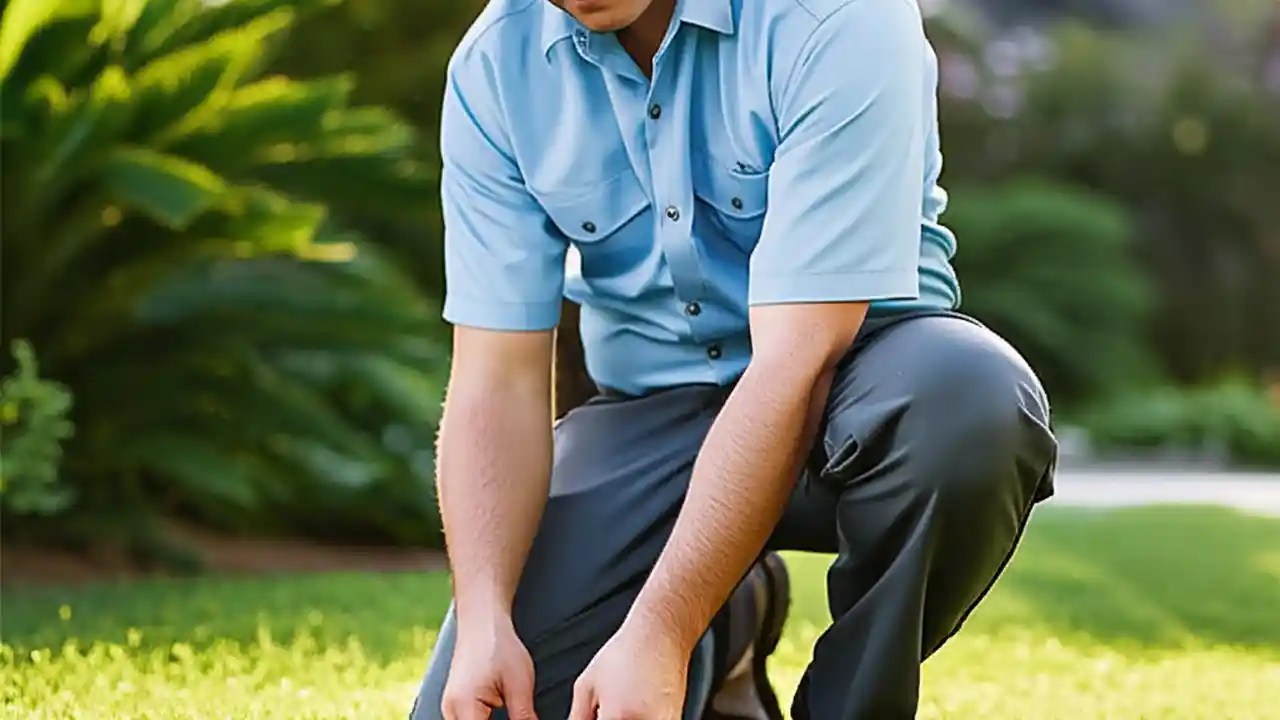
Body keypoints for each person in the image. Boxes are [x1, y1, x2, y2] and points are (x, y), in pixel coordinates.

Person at [410, 0, 1058, 717]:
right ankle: (734, 624)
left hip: (858, 391)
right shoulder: (496, 64)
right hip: (651, 413)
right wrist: (484, 618)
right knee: (490, 700)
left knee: (972, 404)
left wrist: (661, 630)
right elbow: (493, 378)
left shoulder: (840, 16)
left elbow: (798, 361)